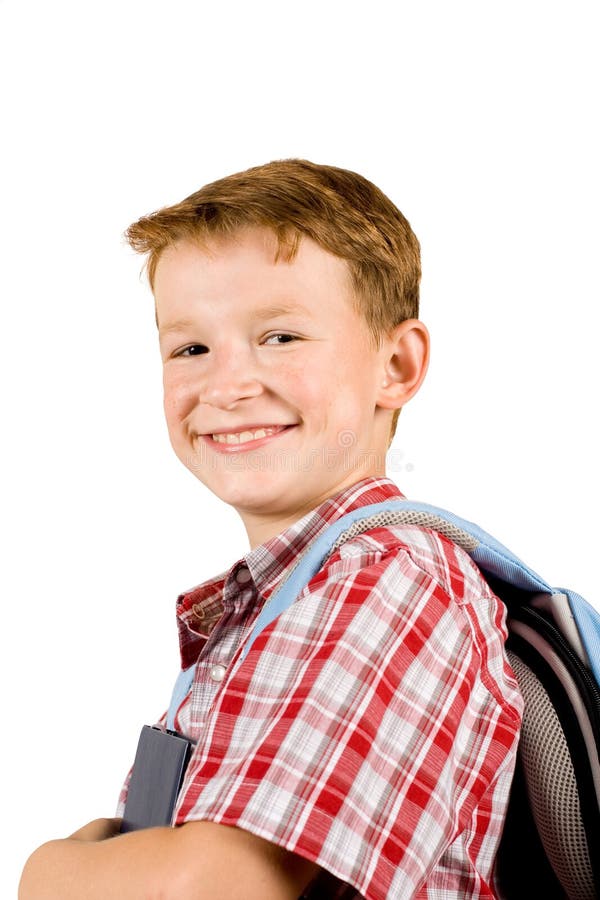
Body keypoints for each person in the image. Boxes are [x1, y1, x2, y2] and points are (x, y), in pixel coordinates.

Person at [19, 159, 523, 899]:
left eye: (280, 337)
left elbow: (216, 889)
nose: (226, 386)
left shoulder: (392, 584)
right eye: (191, 349)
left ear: (396, 365)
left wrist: (48, 869)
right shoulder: (280, 603)